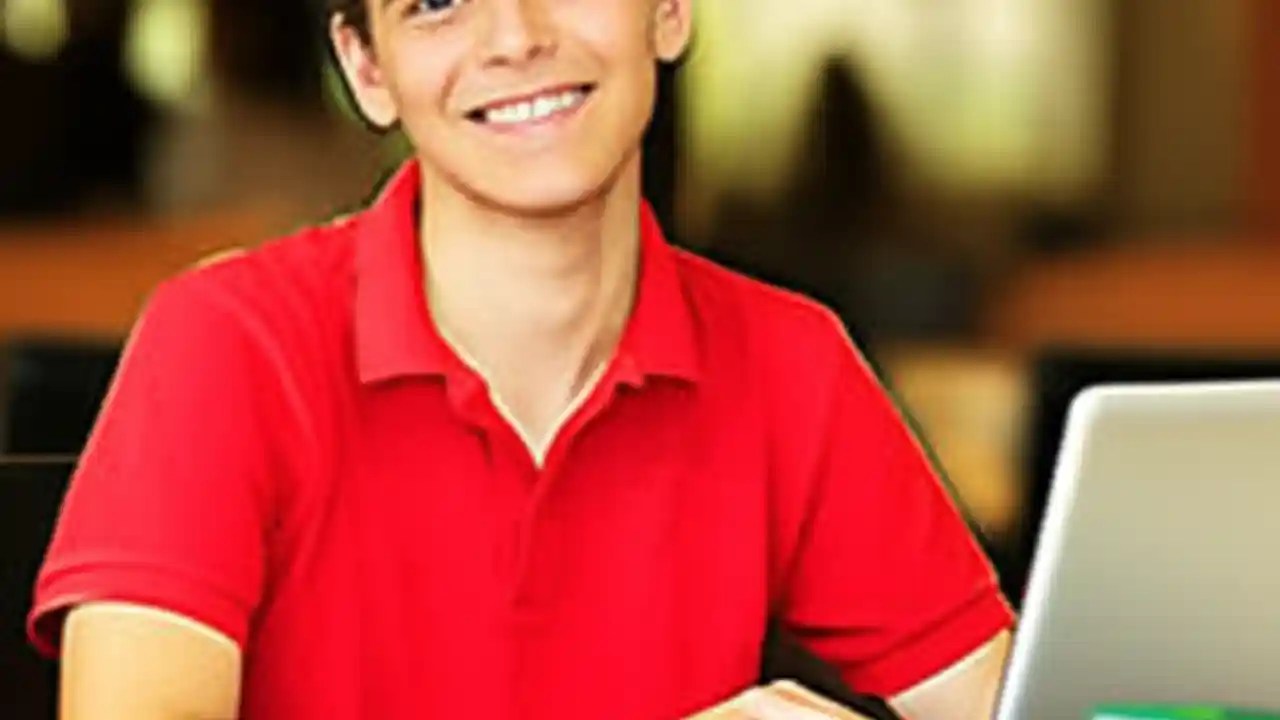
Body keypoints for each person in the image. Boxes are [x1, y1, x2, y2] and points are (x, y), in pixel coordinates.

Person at [27, 1, 1014, 718]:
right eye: (437, 4)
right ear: (367, 70)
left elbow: (1028, 702)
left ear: (667, 12)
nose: (514, 37)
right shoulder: (229, 341)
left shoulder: (786, 357)